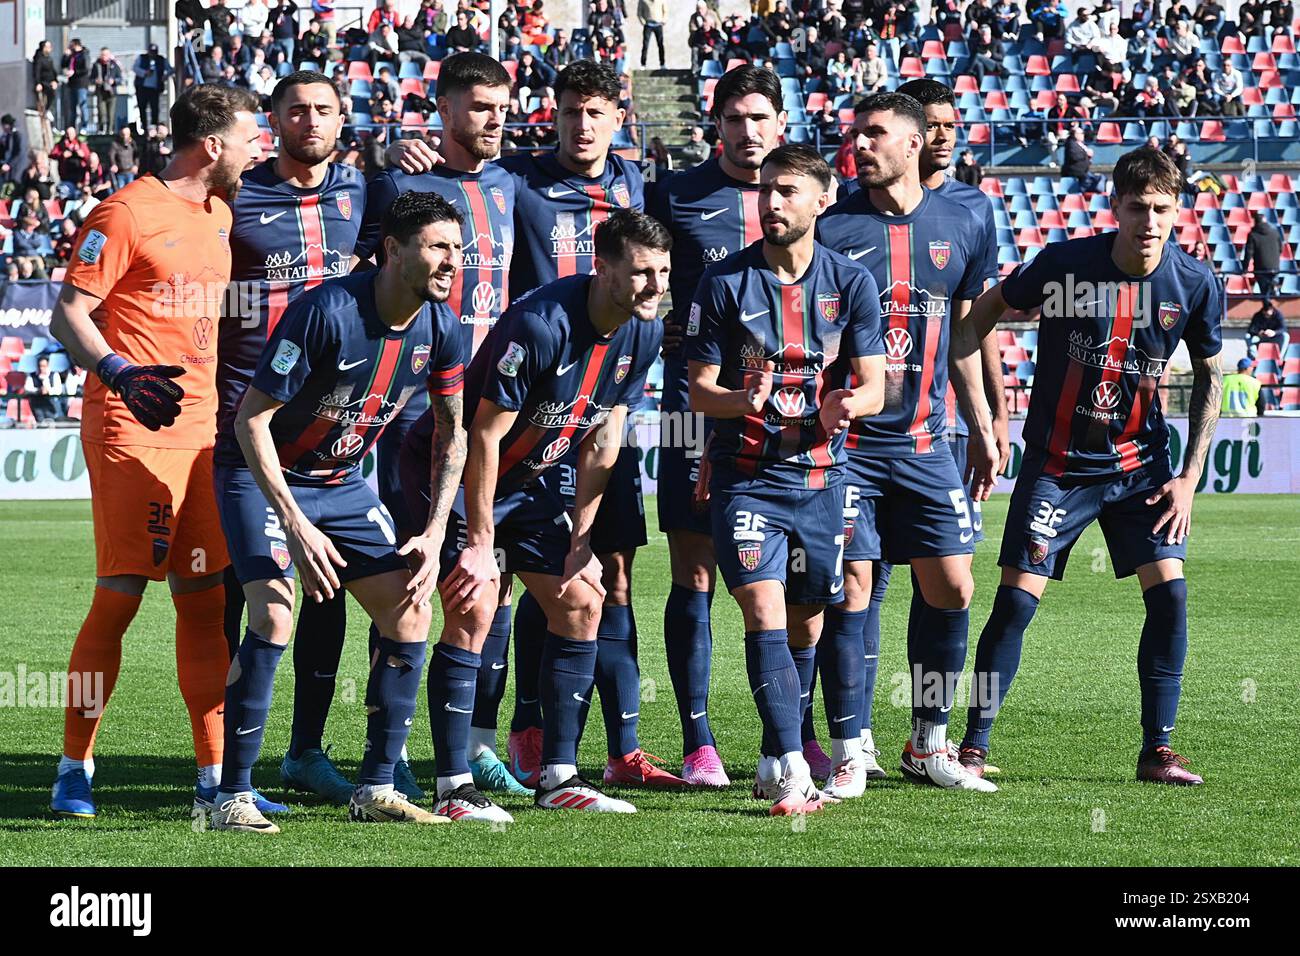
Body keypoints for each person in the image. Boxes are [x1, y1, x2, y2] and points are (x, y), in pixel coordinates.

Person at [388, 60, 675, 790]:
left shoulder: (643, 315)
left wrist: (580, 535)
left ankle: (559, 774)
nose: (655, 287)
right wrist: (399, 152)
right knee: (470, 600)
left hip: (538, 460)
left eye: (661, 275)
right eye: (641, 273)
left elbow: (607, 433)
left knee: (586, 594)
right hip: (457, 443)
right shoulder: (515, 190)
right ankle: (442, 773)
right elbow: (480, 437)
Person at [956, 146, 1224, 786]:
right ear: (1116, 207)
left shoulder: (1192, 282)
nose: (1150, 222)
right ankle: (971, 746)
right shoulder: (1067, 263)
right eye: (1138, 208)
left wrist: (1188, 478)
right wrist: (980, 416)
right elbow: (982, 316)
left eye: (1162, 208)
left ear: (1178, 209)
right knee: (1017, 606)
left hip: (1143, 471)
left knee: (1172, 600)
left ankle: (1157, 751)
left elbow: (1213, 376)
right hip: (1058, 467)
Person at [209, 191, 466, 833]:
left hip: (343, 483)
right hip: (260, 476)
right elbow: (251, 421)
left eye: (457, 250)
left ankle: (377, 785)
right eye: (438, 247)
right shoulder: (323, 311)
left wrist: (434, 534)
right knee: (273, 611)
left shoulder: (441, 326)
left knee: (411, 605)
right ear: (392, 250)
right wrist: (294, 522)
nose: (451, 262)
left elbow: (454, 434)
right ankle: (230, 796)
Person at [46, 85, 264, 820]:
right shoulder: (125, 212)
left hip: (204, 436)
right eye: (248, 136)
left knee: (204, 608)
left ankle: (214, 778)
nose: (256, 147)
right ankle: (74, 766)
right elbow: (68, 312)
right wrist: (117, 371)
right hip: (132, 428)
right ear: (211, 146)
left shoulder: (221, 214)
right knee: (120, 599)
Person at [686, 143, 885, 812]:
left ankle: (777, 751)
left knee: (805, 629)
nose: (771, 202)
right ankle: (796, 766)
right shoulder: (724, 283)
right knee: (762, 611)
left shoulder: (851, 283)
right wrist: (748, 400)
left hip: (824, 481)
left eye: (787, 191)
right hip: (747, 480)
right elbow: (700, 392)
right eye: (765, 190)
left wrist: (848, 404)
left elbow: (878, 386)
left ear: (821, 200)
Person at [817, 92, 1000, 795]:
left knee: (952, 587)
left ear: (915, 144)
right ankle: (849, 746)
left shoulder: (964, 219)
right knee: (854, 588)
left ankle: (928, 742)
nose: (861, 145)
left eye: (875, 134)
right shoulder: (832, 229)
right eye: (856, 133)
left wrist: (982, 425)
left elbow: (963, 335)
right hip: (851, 446)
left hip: (927, 442)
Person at [354, 54, 527, 797]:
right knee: (412, 579)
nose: (494, 118)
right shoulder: (403, 183)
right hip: (416, 417)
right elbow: (366, 269)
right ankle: (385, 749)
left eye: (501, 106)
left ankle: (476, 742)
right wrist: (382, 156)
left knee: (495, 579)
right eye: (480, 106)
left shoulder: (513, 186)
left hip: (497, 414)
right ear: (446, 110)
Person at [214, 71, 376, 808]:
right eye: (297, 110)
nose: (311, 121)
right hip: (244, 419)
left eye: (325, 110)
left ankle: (307, 749)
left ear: (343, 120)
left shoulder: (363, 191)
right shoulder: (236, 196)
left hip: (330, 425)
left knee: (327, 582)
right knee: (243, 589)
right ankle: (217, 758)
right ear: (273, 120)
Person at [645, 65, 789, 785]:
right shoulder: (675, 196)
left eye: (760, 118)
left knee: (791, 578)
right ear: (717, 125)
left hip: (786, 420)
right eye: (735, 119)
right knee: (694, 568)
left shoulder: (807, 195)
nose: (747, 132)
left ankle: (789, 739)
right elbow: (638, 277)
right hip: (693, 411)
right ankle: (698, 742)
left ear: (781, 125)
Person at [134, 45, 174, 130]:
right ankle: (144, 126)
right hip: (142, 87)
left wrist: (165, 76)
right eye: (151, 52)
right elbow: (135, 68)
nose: (153, 54)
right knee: (142, 107)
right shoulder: (142, 58)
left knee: (154, 108)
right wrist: (145, 73)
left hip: (154, 88)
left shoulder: (161, 59)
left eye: (154, 52)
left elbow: (171, 70)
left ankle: (154, 126)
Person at [1243, 211, 1282, 297]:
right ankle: (1275, 293)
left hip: (1261, 268)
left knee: (1265, 294)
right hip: (1275, 267)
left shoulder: (1253, 235)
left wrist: (1244, 268)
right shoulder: (1275, 232)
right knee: (1274, 295)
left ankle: (1268, 307)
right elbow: (1280, 249)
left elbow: (1249, 253)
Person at [89, 49, 122, 136]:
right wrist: (95, 80)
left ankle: (110, 130)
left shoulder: (114, 65)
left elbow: (120, 79)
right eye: (102, 55)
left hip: (111, 92)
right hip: (100, 92)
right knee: (101, 112)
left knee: (111, 113)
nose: (104, 57)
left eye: (106, 55)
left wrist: (114, 81)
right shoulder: (96, 65)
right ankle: (101, 129)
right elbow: (91, 78)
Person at [1062, 124, 1104, 193]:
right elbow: (1074, 156)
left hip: (1084, 171)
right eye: (1081, 133)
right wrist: (1086, 154)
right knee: (1090, 180)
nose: (1083, 135)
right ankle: (1078, 193)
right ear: (1075, 135)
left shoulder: (1080, 144)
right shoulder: (1070, 144)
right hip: (1074, 172)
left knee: (1100, 178)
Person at [61, 39, 91, 133]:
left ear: (76, 45)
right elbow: (63, 65)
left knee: (82, 104)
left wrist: (74, 72)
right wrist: (65, 56)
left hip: (81, 83)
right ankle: (71, 127)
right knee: (72, 107)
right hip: (72, 83)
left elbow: (86, 69)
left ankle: (84, 126)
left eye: (71, 45)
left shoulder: (84, 55)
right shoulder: (71, 55)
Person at [26, 355, 64, 425]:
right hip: (37, 406)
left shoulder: (54, 374)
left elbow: (58, 390)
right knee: (40, 424)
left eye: (44, 366)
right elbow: (27, 389)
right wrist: (38, 391)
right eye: (40, 366)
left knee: (53, 424)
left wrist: (48, 390)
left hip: (52, 405)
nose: (42, 368)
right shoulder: (32, 376)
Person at [34, 40, 62, 129]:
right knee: (45, 100)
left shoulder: (49, 58)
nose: (50, 49)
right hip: (44, 83)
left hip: (50, 82)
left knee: (52, 97)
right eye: (48, 47)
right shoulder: (39, 59)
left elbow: (53, 71)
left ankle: (48, 112)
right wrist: (38, 83)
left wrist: (55, 81)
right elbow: (37, 72)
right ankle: (46, 112)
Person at [638, 0, 667, 69]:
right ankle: (643, 64)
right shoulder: (643, 1)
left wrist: (664, 20)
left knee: (660, 44)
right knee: (645, 45)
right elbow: (639, 13)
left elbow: (665, 11)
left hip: (658, 24)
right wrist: (643, 22)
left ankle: (662, 64)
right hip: (648, 25)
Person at [0, 115, 24, 185]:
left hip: (12, 167)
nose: (3, 127)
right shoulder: (6, 136)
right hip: (4, 163)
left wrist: (9, 165)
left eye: (5, 125)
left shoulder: (17, 135)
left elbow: (18, 153)